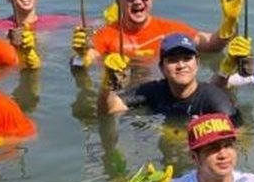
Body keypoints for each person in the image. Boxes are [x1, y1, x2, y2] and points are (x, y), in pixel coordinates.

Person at [74, 0, 243, 65]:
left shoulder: (170, 29)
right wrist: (80, 55)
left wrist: (229, 23)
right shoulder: (107, 34)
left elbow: (211, 45)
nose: (138, 1)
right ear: (119, 1)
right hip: (123, 91)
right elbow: (87, 61)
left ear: (152, 0)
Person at [99, 33, 240, 123]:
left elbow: (239, 137)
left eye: (187, 59)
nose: (181, 65)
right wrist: (107, 84)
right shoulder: (154, 90)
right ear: (162, 68)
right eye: (172, 60)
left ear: (197, 64)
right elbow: (111, 109)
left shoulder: (215, 99)